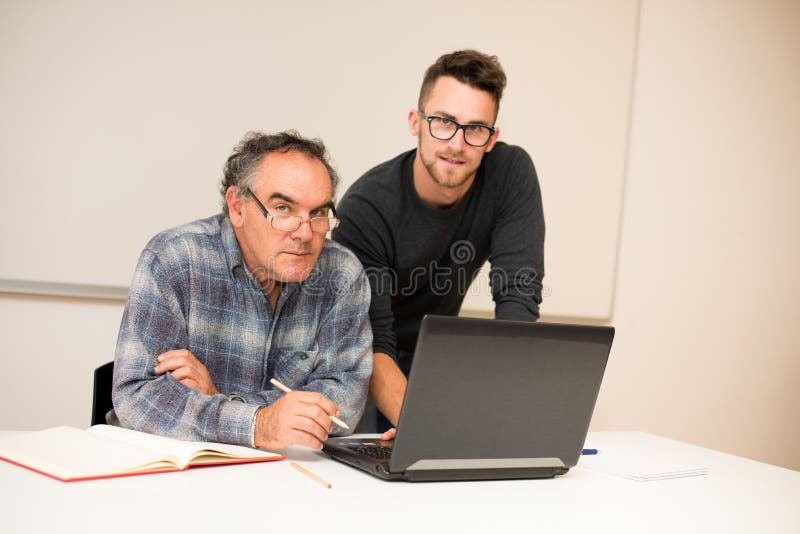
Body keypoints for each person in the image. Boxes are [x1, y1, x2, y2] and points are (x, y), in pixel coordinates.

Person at [109, 131, 373, 451]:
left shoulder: (342, 273)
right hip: (174, 467)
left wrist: (222, 400)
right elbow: (138, 395)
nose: (305, 232)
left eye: (318, 212)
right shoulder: (174, 258)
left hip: (286, 474)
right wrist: (258, 423)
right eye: (283, 208)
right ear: (237, 207)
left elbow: (345, 397)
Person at [332, 49, 545, 434]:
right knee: (373, 462)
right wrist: (427, 433)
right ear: (416, 122)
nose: (457, 144)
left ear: (492, 138)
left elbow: (518, 300)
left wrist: (507, 414)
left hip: (435, 354)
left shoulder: (509, 174)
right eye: (444, 122)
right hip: (362, 358)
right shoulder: (367, 207)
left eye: (475, 128)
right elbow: (372, 343)